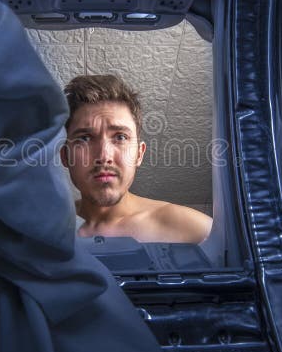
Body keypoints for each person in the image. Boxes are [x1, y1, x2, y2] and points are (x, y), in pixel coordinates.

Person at [61, 74, 212, 244]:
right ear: (65, 156)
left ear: (139, 154)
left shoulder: (195, 230)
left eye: (120, 137)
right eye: (85, 138)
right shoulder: (45, 228)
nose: (104, 156)